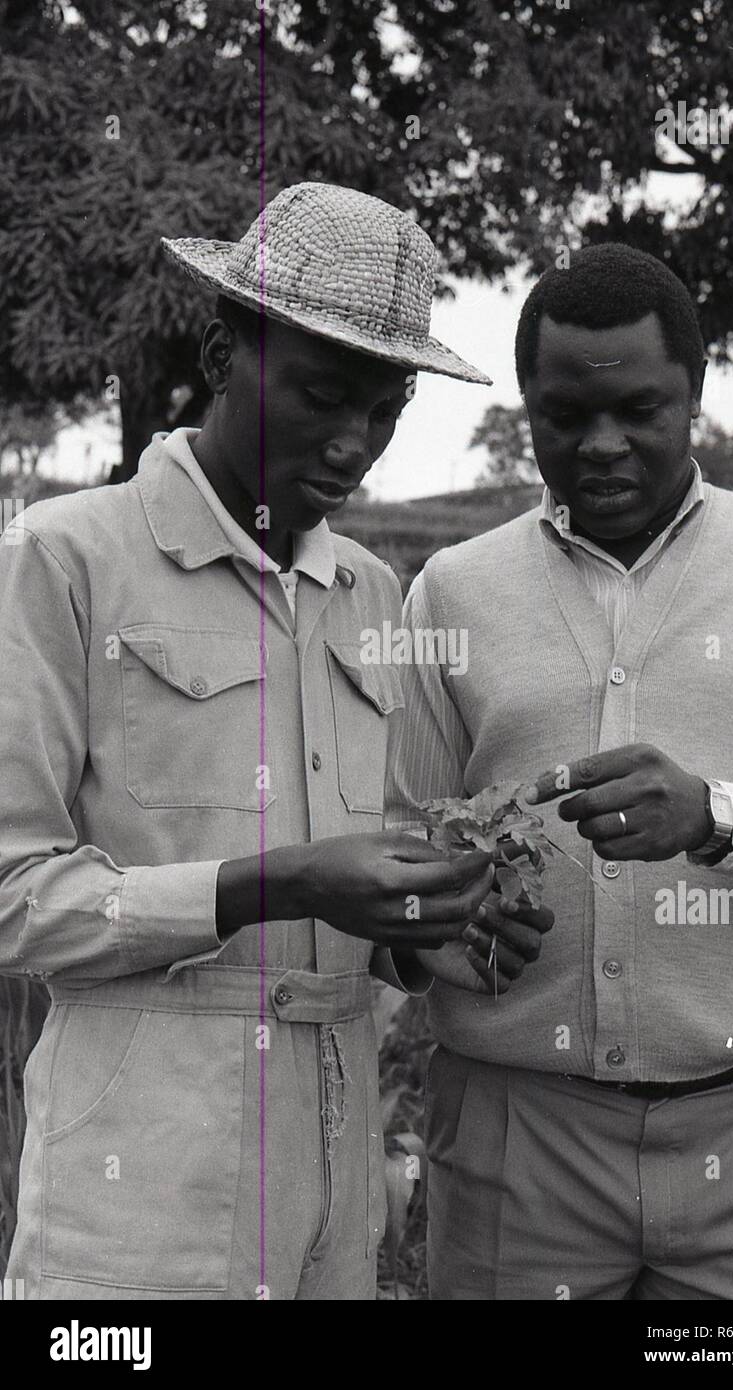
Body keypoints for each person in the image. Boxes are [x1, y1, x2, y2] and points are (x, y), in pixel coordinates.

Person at [0, 181, 502, 1301]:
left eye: (387, 410)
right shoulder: (64, 559)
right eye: (323, 395)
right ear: (228, 351)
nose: (352, 442)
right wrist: (271, 883)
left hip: (328, 1200)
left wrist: (424, 930)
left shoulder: (372, 590)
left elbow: (366, 901)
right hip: (137, 1212)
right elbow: (11, 893)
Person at [389, 243, 733, 1300]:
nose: (600, 445)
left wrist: (715, 813)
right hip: (512, 1141)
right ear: (525, 407)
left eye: (639, 409)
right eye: (561, 417)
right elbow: (399, 835)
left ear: (696, 393)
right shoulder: (451, 590)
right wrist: (439, 918)